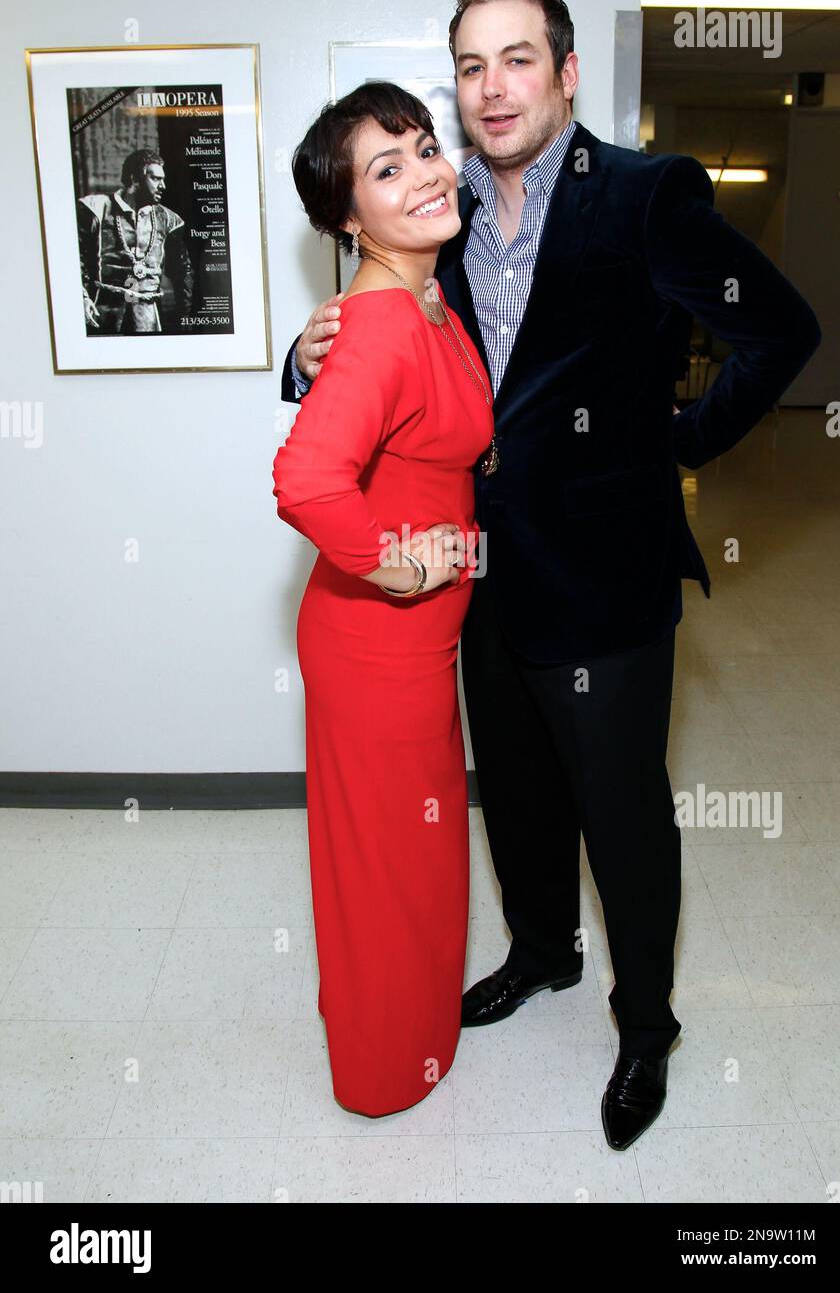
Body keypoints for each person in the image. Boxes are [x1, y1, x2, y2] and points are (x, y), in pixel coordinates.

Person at [283, 0, 821, 1148]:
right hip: (475, 586)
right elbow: (387, 342)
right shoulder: (439, 200)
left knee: (622, 813)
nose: (490, 87)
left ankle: (645, 1026)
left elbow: (779, 332)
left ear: (566, 74)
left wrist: (673, 445)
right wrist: (301, 351)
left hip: (609, 587)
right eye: (469, 65)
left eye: (516, 58)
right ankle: (540, 953)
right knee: (517, 799)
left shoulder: (642, 197)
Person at [271, 82, 495, 1117]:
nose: (424, 171)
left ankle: (415, 1035)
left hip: (416, 647)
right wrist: (401, 561)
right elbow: (307, 479)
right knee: (385, 863)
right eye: (386, 167)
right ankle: (377, 1068)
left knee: (418, 849)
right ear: (350, 218)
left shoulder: (428, 298)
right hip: (375, 646)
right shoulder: (381, 320)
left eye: (421, 146)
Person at [77, 148, 193, 334]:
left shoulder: (169, 220)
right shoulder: (96, 209)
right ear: (134, 178)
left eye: (163, 179)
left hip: (147, 318)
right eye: (156, 179)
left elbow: (182, 271)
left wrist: (186, 313)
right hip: (103, 313)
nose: (163, 186)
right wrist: (80, 298)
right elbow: (73, 258)